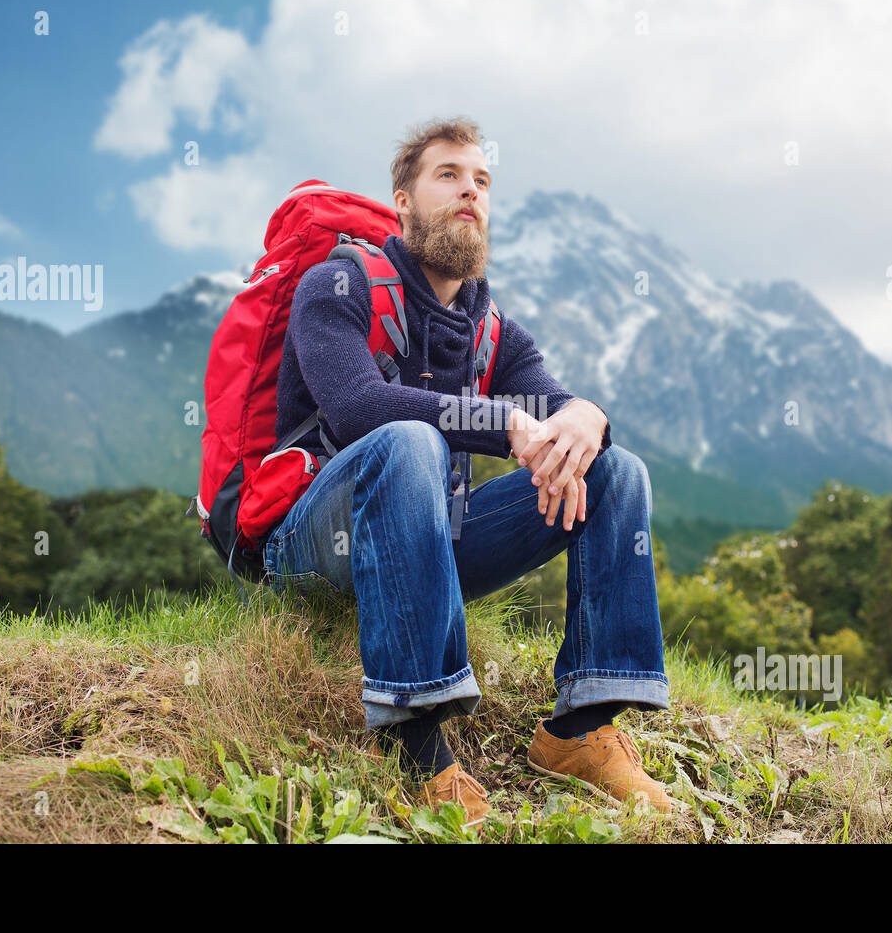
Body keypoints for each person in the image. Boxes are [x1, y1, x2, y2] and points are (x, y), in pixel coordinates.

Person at [264, 116, 672, 829]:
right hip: (315, 536)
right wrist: (498, 422)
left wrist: (586, 415)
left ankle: (580, 727)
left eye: (482, 180)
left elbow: (558, 415)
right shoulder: (337, 283)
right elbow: (358, 407)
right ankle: (416, 740)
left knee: (616, 470)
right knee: (409, 443)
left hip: (430, 541)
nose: (469, 192)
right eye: (447, 176)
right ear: (402, 201)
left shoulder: (494, 331)